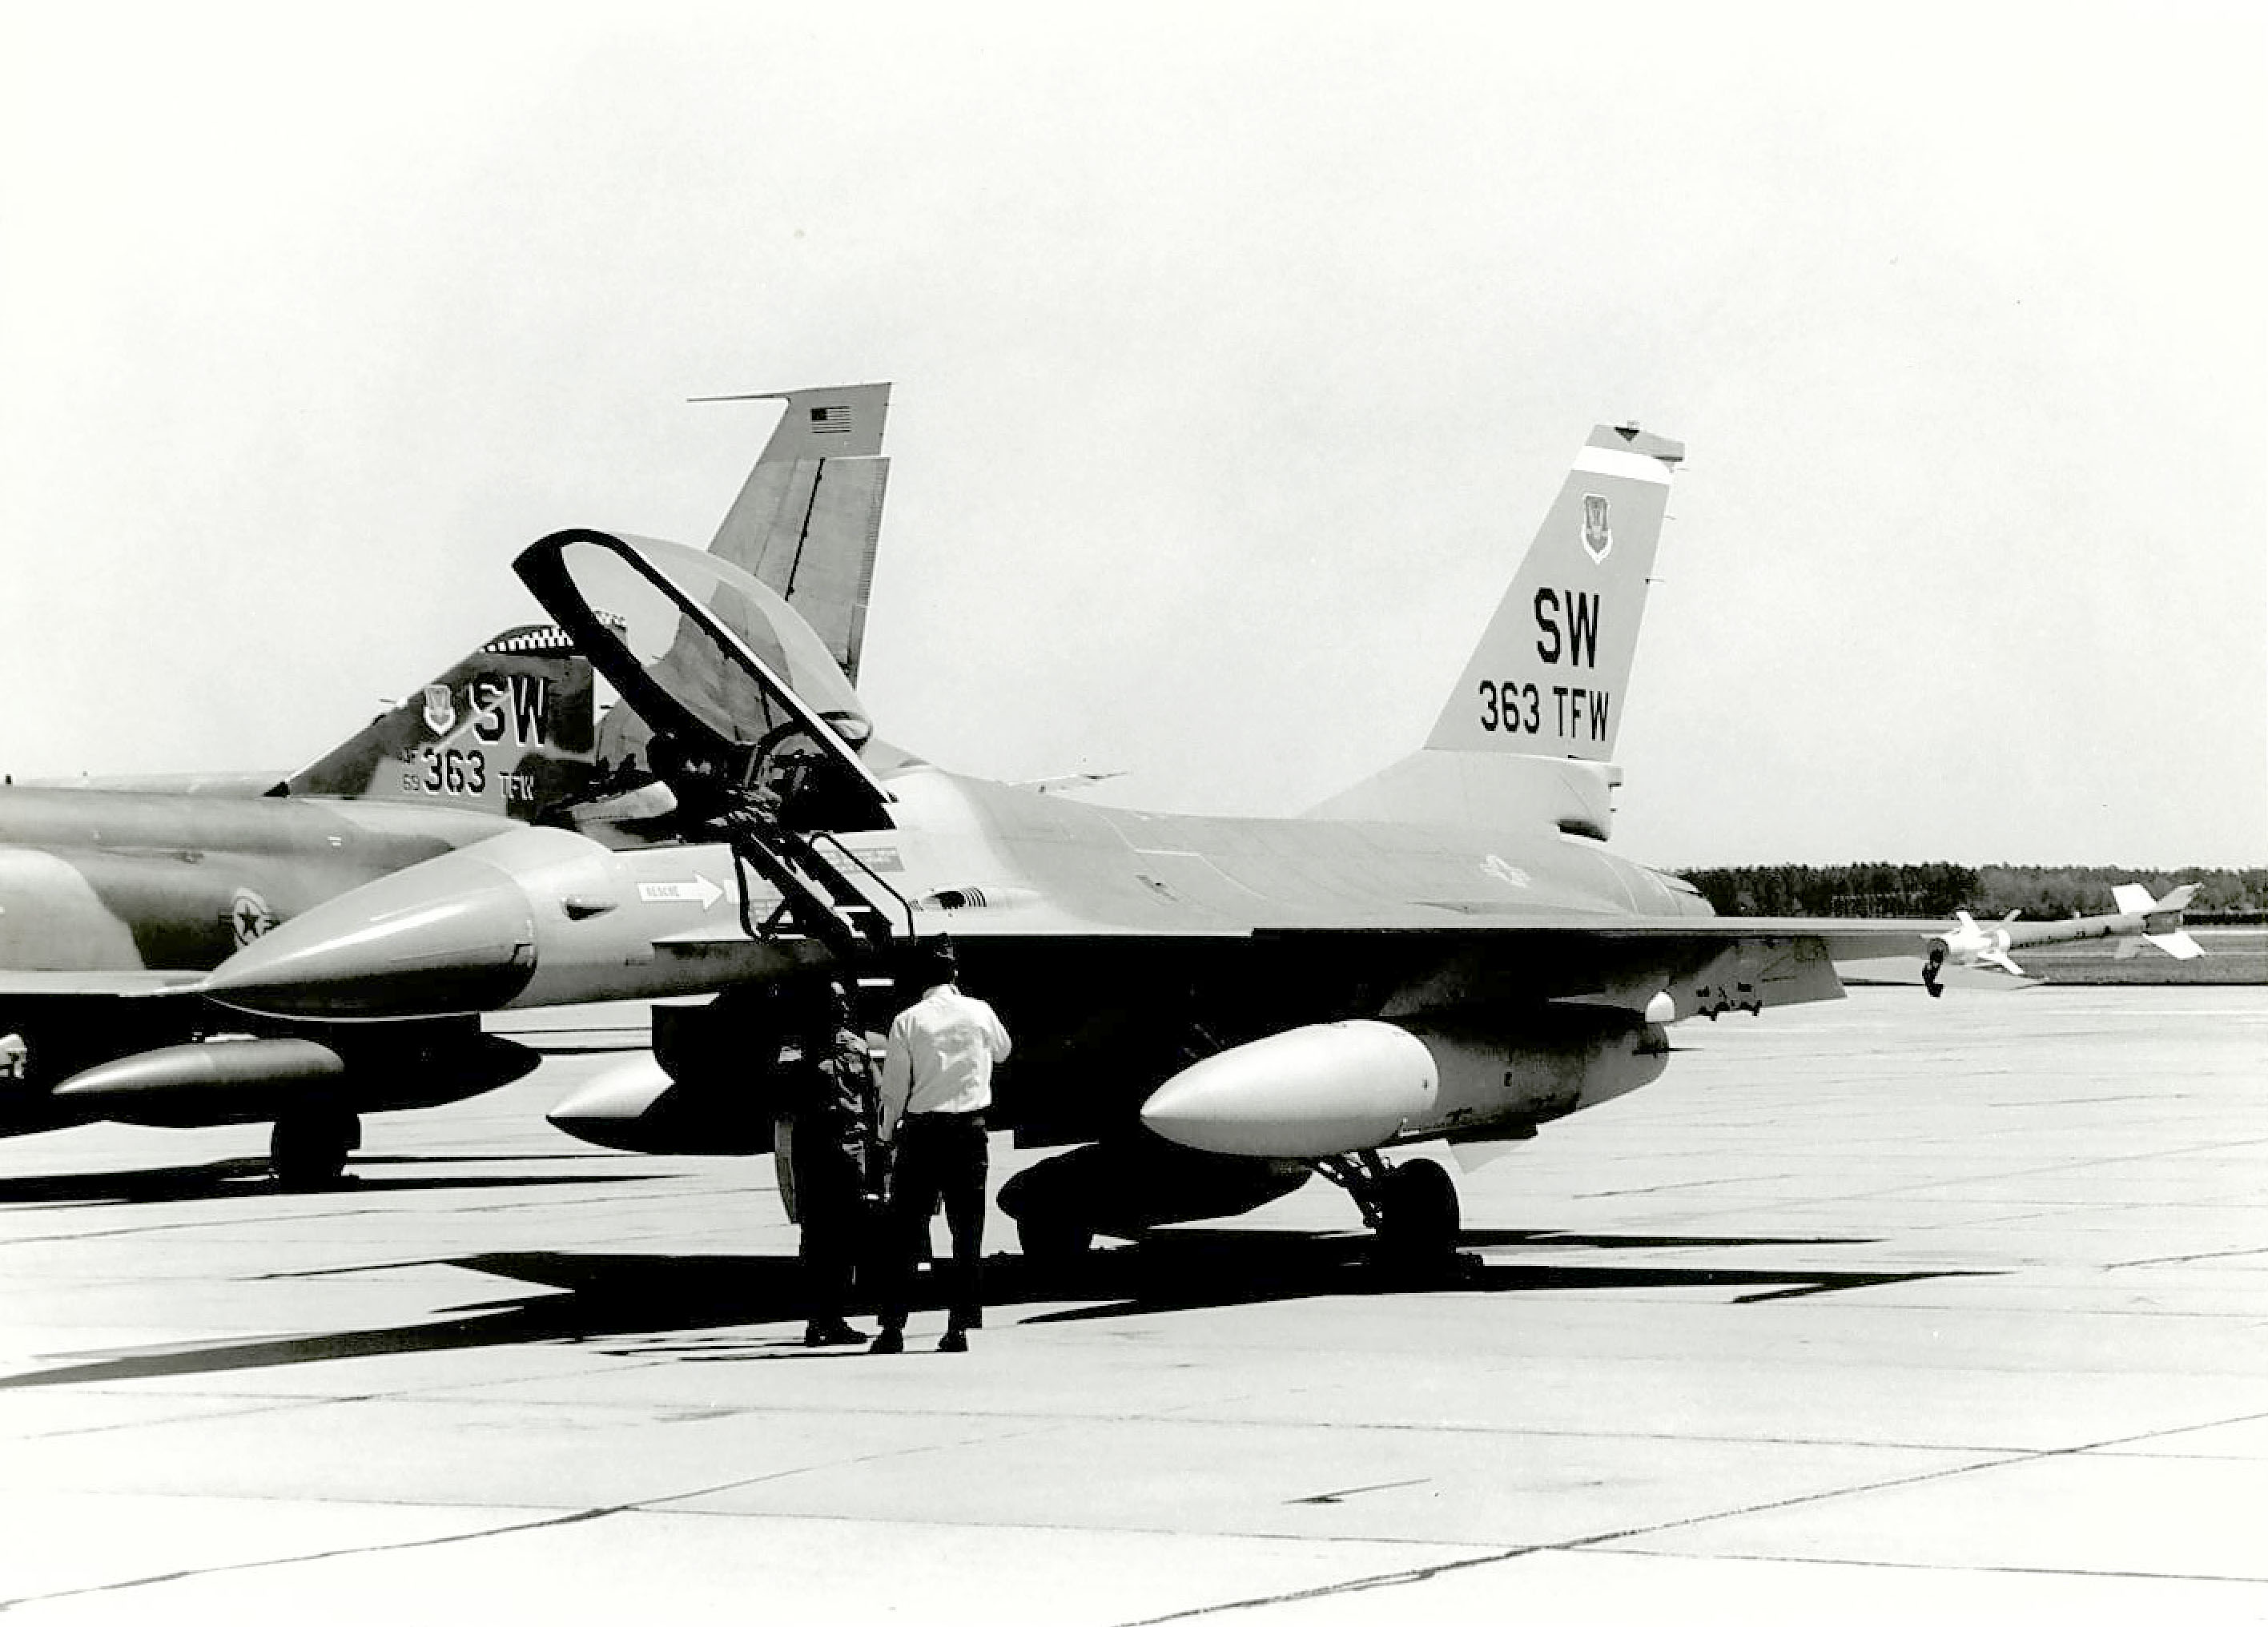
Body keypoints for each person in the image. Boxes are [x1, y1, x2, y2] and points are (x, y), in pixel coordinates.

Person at [869, 939, 1011, 1355]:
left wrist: (883, 1136)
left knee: (906, 1233)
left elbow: (894, 1089)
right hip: (969, 1132)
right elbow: (1002, 1051)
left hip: (922, 1134)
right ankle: (959, 1327)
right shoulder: (980, 1011)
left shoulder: (907, 1021)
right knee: (967, 1232)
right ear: (954, 974)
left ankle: (893, 1328)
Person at [782, 979, 879, 1348]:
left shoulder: (858, 1047)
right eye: (832, 1001)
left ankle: (835, 1317)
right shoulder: (797, 1052)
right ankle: (817, 1319)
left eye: (843, 1001)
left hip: (852, 1154)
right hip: (816, 1153)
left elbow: (872, 1100)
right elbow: (785, 1102)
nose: (841, 1008)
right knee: (816, 1239)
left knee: (846, 1238)